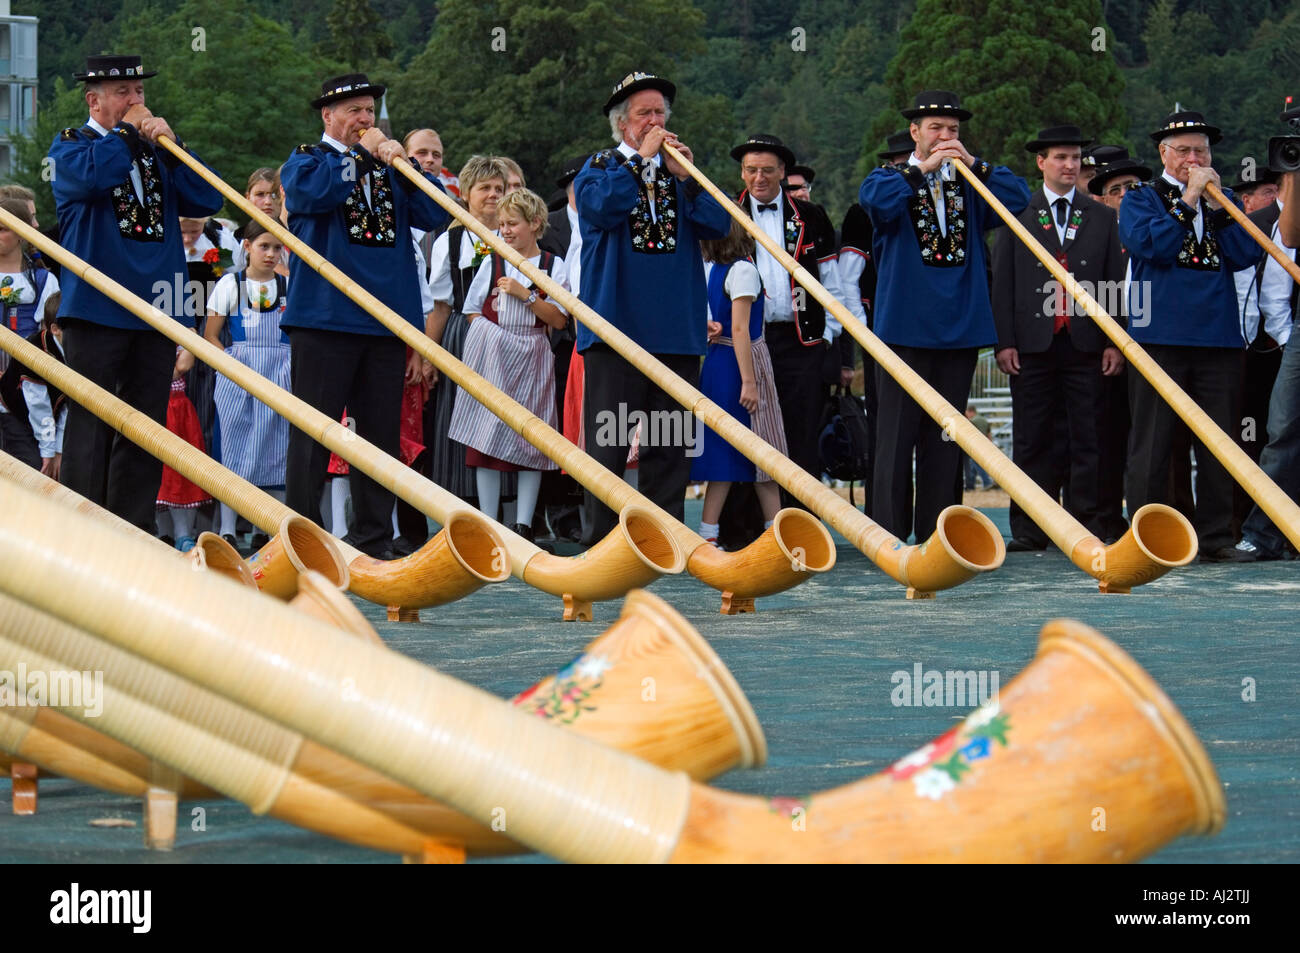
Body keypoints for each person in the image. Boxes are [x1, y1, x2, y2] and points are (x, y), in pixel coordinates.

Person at [49, 53, 223, 531]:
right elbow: (90, 179)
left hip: (159, 307)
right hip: (97, 306)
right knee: (92, 421)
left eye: (140, 92)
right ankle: (83, 528)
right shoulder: (72, 146)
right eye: (124, 93)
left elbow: (208, 198)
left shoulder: (156, 150)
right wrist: (128, 133)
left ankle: (133, 528)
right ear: (94, 100)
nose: (136, 101)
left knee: (146, 426)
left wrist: (172, 144)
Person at [280, 72, 449, 560]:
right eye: (354, 111)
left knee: (378, 438)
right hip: (325, 320)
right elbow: (315, 196)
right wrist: (361, 153)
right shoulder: (307, 161)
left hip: (385, 323)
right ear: (327, 116)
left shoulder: (390, 164)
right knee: (313, 434)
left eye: (370, 112)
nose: (364, 120)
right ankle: (302, 538)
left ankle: (373, 539)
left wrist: (407, 165)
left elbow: (435, 213)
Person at [859, 90, 1030, 543]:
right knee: (895, 437)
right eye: (935, 128)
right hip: (902, 329)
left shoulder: (972, 185)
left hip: (959, 329)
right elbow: (875, 205)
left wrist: (974, 164)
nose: (945, 136)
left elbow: (1019, 199)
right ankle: (887, 535)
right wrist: (921, 170)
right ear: (915, 133)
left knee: (948, 437)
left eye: (953, 130)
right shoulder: (890, 177)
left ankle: (940, 533)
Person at [574, 71, 731, 541]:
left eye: (660, 113)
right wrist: (641, 162)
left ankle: (664, 541)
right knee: (610, 444)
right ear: (624, 125)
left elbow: (719, 225)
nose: (656, 121)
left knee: (669, 445)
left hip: (677, 333)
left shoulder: (680, 174)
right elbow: (602, 210)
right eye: (645, 114)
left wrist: (688, 181)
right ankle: (601, 543)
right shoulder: (599, 169)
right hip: (615, 331)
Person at [1119, 111, 1261, 562]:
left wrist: (1218, 209)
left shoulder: (1226, 200)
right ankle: (1148, 536)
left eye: (1201, 151)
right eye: (1184, 151)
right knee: (1153, 443)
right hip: (1159, 336)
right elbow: (1154, 248)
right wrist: (1189, 199)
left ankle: (1218, 536)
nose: (1194, 159)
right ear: (1164, 154)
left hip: (1218, 337)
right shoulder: (1141, 199)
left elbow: (1245, 255)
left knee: (1220, 444)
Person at [991, 124, 1126, 550]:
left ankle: (1086, 523)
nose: (1071, 165)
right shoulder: (1015, 213)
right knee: (1032, 437)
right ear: (1041, 162)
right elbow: (1003, 283)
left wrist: (1113, 341)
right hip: (1032, 343)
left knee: (1090, 435)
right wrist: (1004, 341)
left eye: (1076, 158)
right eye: (1062, 158)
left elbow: (1114, 281)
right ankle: (1031, 529)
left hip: (1087, 341)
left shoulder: (1102, 216)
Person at [448, 188, 568, 543]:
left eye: (512, 223)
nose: (506, 231)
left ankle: (523, 523)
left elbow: (559, 321)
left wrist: (526, 294)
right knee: (486, 435)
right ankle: (489, 522)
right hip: (494, 355)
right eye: (501, 225)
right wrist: (492, 336)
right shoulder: (493, 261)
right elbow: (470, 310)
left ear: (535, 223)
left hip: (532, 354)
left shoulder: (551, 265)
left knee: (531, 438)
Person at [732, 133, 848, 488]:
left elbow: (833, 283)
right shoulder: (727, 214)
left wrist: (826, 335)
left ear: (783, 171)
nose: (759, 178)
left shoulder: (812, 216)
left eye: (767, 170)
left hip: (802, 341)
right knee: (747, 432)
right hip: (747, 340)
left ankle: (803, 523)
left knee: (801, 433)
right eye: (751, 170)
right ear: (741, 172)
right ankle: (747, 529)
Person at [691, 218, 787, 545]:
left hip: (719, 362)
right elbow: (741, 329)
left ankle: (709, 535)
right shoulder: (743, 270)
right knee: (764, 450)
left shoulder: (716, 269)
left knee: (725, 455)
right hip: (739, 365)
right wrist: (750, 381)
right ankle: (775, 535)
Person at [426, 154, 512, 504]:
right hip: (463, 333)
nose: (493, 194)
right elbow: (441, 304)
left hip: (508, 334)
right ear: (466, 193)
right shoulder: (451, 240)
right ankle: (462, 505)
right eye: (484, 188)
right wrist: (428, 355)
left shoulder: (515, 234)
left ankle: (507, 508)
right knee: (457, 415)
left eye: (499, 188)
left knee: (504, 416)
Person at [203, 220, 290, 550]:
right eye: (264, 246)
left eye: (277, 247)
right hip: (238, 370)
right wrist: (230, 364)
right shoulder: (230, 284)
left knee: (276, 446)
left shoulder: (287, 287)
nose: (270, 254)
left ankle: (267, 526)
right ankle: (228, 527)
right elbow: (210, 335)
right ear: (247, 246)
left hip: (279, 370)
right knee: (235, 444)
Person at [0, 275, 66, 475]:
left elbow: (67, 407)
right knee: (34, 468)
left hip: (46, 421)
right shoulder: (36, 350)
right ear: (54, 329)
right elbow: (38, 405)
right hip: (14, 411)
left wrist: (59, 450)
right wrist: (48, 452)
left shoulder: (76, 351)